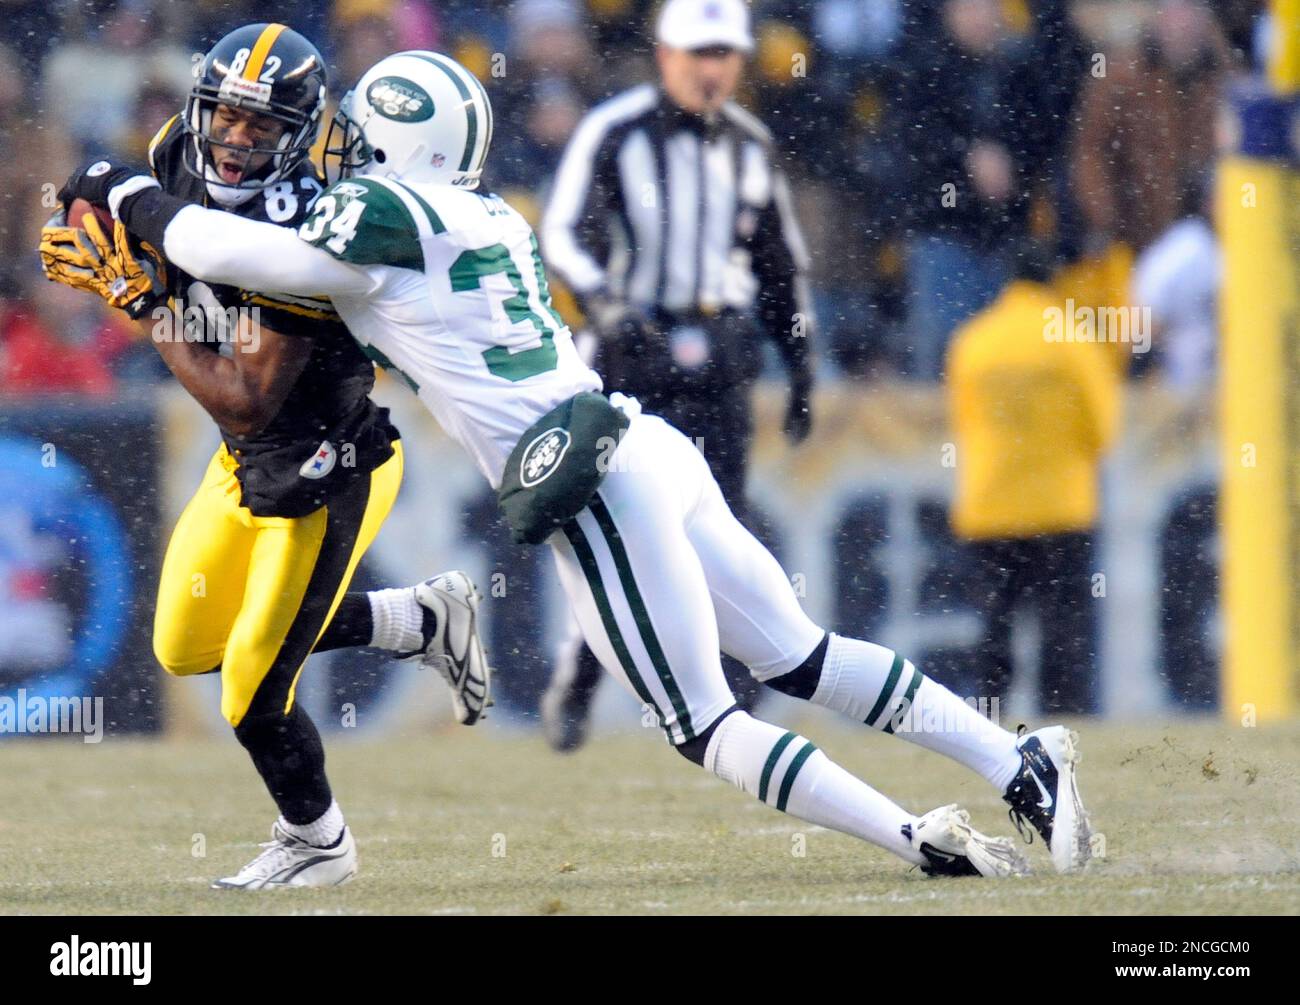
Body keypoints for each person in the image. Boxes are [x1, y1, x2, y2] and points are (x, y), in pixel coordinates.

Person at [50, 49, 1097, 877]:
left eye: (360, 133)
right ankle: (1018, 762)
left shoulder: (384, 214)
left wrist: (122, 188)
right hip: (639, 439)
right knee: (800, 655)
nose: (342, 147)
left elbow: (234, 254)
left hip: (589, 482)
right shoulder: (486, 210)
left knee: (704, 725)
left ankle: (916, 839)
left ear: (391, 144)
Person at [39, 24, 490, 890]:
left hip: (330, 467)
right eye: (228, 117)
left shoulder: (315, 230)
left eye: (265, 126)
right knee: (184, 644)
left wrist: (139, 303)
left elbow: (246, 392)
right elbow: (87, 210)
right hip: (245, 460)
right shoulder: (174, 150)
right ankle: (418, 620)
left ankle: (319, 840)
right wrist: (88, 233)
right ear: (200, 107)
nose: (238, 139)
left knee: (250, 690)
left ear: (303, 132)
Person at [538, 0, 815, 746]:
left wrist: (802, 366)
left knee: (724, 517)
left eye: (725, 53)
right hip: (633, 354)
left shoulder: (751, 145)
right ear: (664, 53)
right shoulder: (616, 130)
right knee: (614, 523)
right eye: (699, 52)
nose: (712, 68)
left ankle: (740, 686)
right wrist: (603, 302)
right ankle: (583, 675)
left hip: (720, 355)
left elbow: (781, 267)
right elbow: (560, 230)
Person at [946, 243, 1122, 715]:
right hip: (1060, 509)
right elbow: (1103, 428)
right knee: (1063, 630)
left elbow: (964, 421)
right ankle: (1065, 720)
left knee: (992, 626)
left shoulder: (973, 340)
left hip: (989, 509)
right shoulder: (1074, 339)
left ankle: (985, 719)